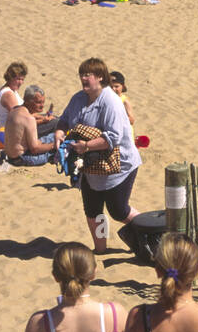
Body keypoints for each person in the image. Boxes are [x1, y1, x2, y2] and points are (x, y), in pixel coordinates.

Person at [54, 58, 141, 253]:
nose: (83, 78)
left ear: (100, 77)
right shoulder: (78, 99)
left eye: (88, 75)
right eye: (81, 75)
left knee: (118, 210)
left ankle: (149, 231)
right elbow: (64, 120)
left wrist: (85, 145)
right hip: (90, 165)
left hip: (119, 165)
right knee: (92, 210)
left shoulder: (110, 101)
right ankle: (100, 249)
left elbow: (113, 137)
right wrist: (59, 133)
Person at [4, 87, 57, 166]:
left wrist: (43, 118)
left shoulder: (14, 110)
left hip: (9, 155)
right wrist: (54, 145)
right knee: (59, 146)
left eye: (43, 102)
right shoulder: (29, 119)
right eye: (38, 102)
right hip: (22, 158)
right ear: (27, 101)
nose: (42, 106)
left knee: (53, 136)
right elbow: (35, 149)